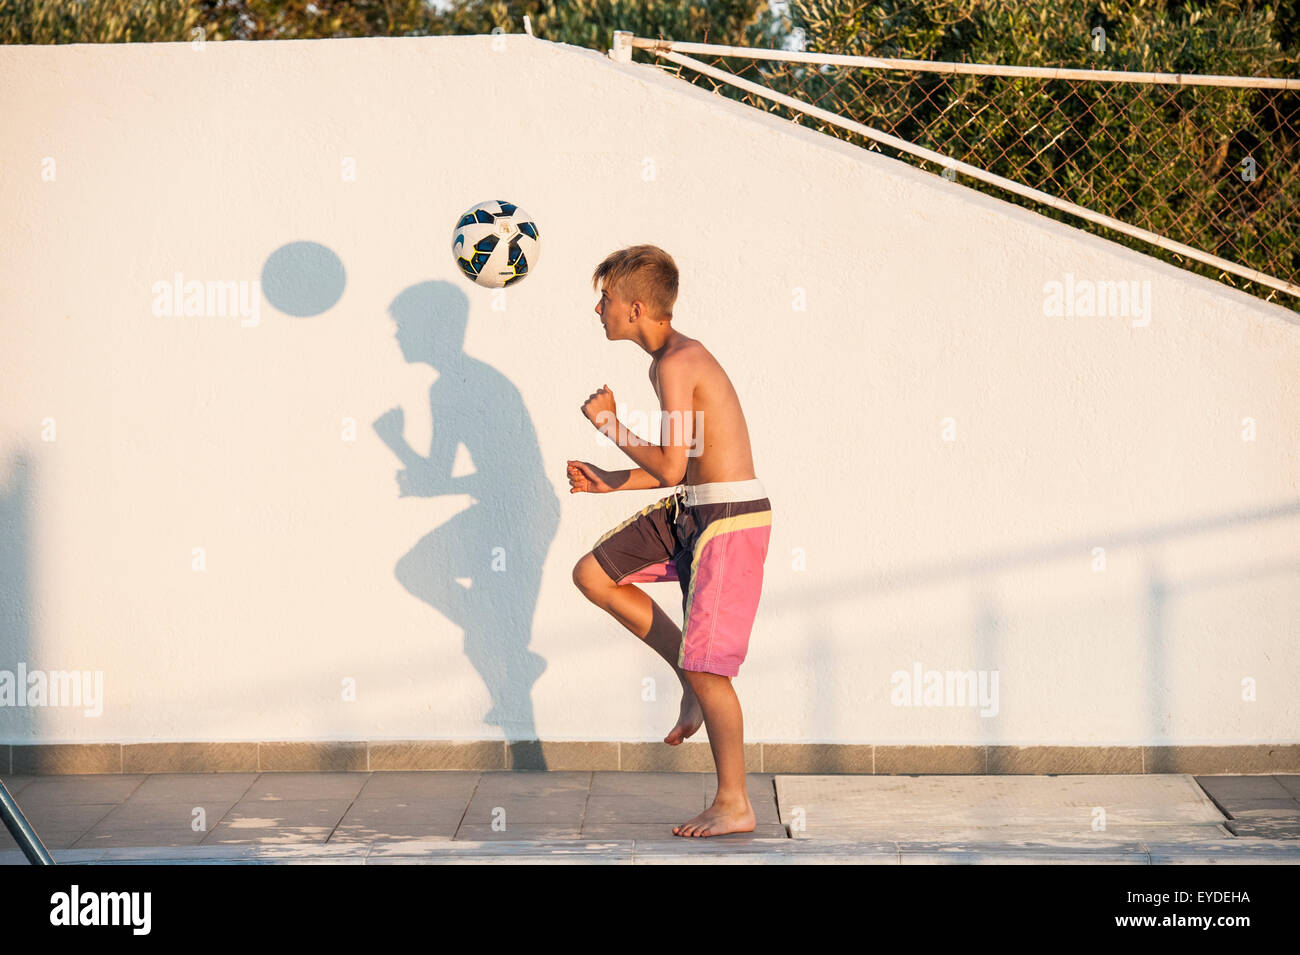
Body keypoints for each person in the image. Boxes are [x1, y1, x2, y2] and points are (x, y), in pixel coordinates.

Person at [568, 244, 773, 838]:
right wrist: (611, 482)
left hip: (728, 521)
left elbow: (671, 466)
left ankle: (734, 802)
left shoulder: (677, 363)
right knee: (592, 574)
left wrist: (609, 426)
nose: (597, 309)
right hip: (693, 510)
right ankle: (687, 674)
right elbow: (681, 467)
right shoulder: (670, 362)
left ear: (634, 308)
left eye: (604, 299)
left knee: (713, 670)